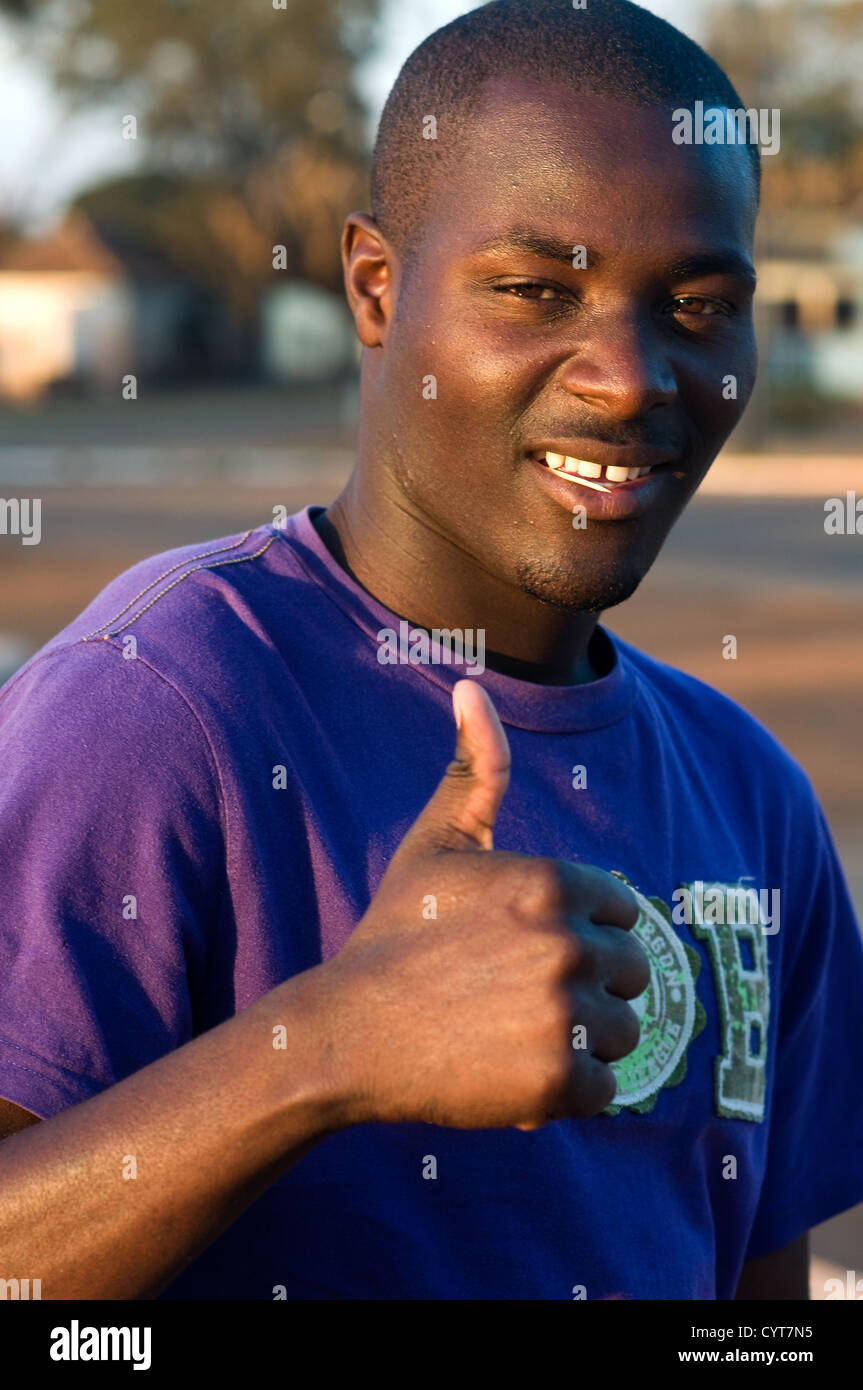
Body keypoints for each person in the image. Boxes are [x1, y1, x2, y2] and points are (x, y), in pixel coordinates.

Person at [1, 0, 861, 1301]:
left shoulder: (752, 797)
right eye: (537, 291)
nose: (631, 376)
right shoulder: (150, 709)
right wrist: (329, 1047)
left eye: (696, 305)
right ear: (375, 287)